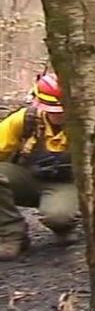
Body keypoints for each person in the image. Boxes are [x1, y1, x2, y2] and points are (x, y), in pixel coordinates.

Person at [0, 73, 78, 261]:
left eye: (63, 109)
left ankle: (64, 225)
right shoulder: (25, 120)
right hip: (27, 177)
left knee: (58, 216)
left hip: (67, 185)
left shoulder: (89, 124)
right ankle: (11, 234)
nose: (59, 114)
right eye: (53, 110)